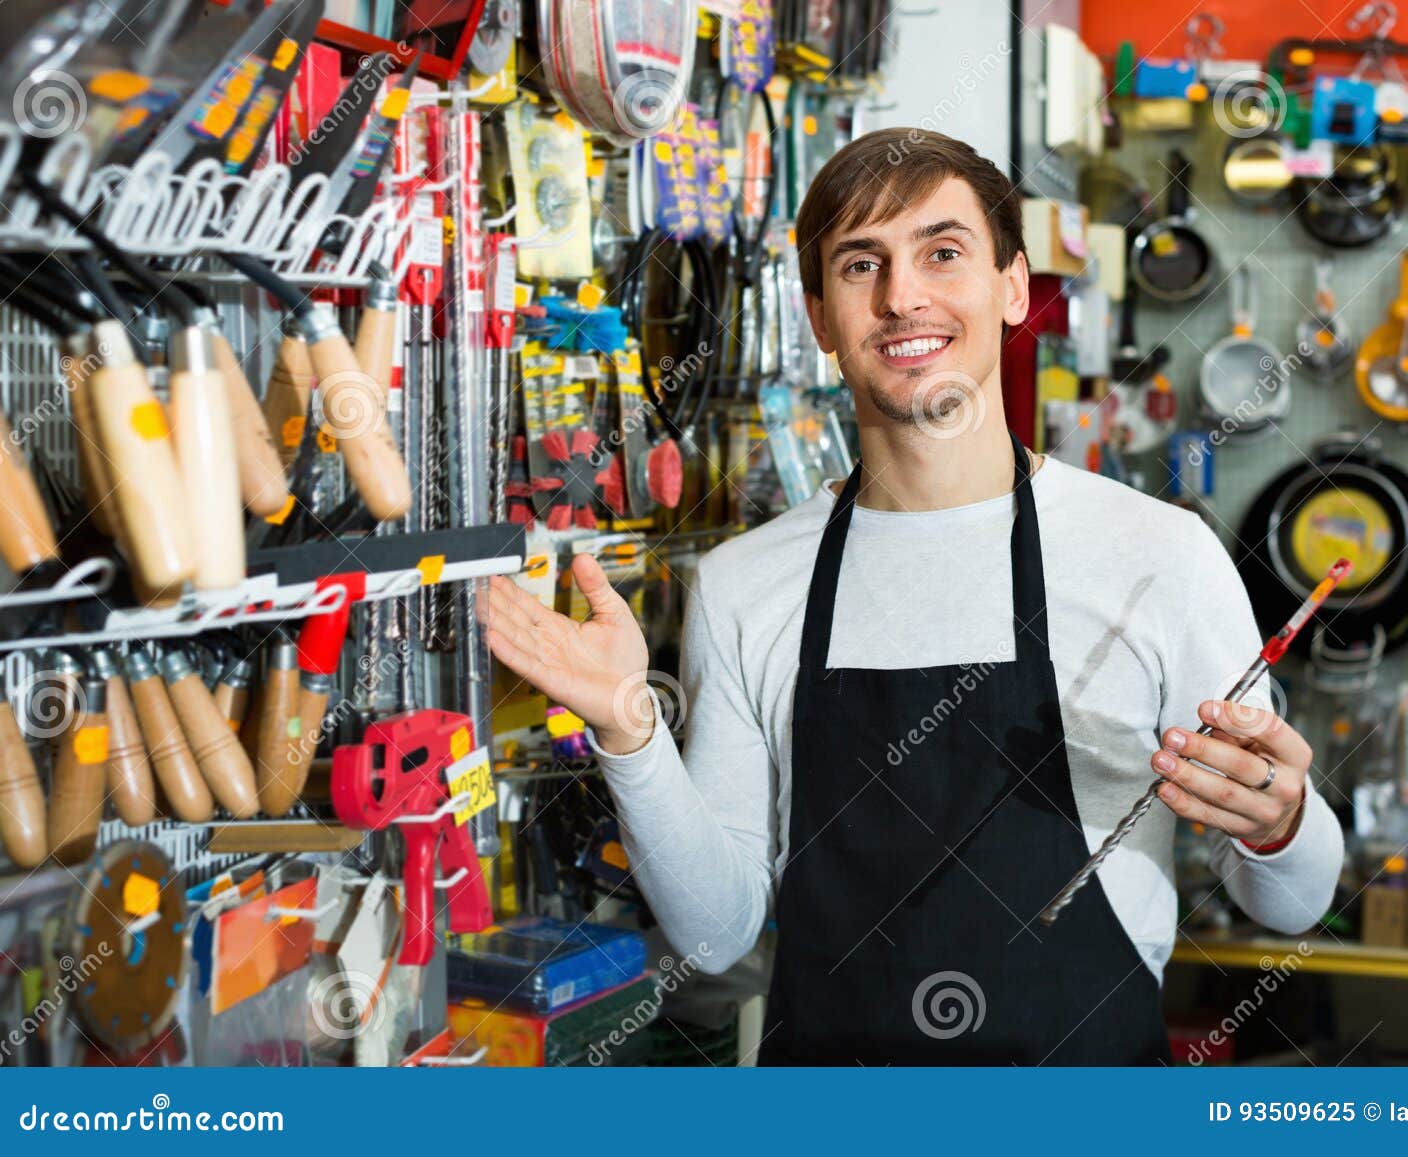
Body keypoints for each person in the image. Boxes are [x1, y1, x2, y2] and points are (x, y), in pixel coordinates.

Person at [485, 128, 1342, 1066]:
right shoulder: (743, 584)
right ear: (819, 315)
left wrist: (1282, 824)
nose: (902, 297)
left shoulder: (1158, 556)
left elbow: (1292, 903)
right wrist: (630, 732)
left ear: (1013, 285)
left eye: (943, 252)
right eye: (862, 264)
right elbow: (717, 934)